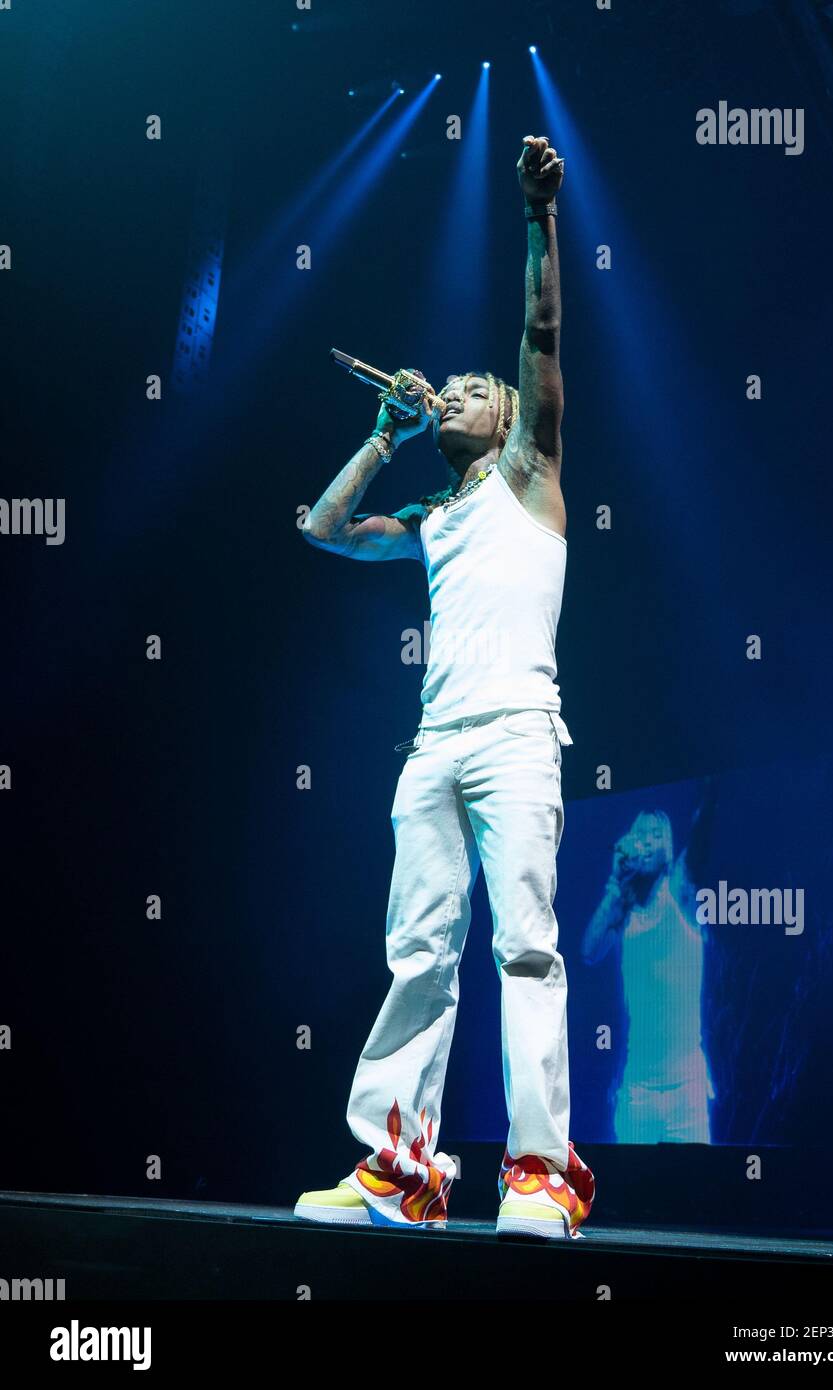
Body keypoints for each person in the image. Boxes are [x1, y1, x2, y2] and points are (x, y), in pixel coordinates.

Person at [294, 135, 594, 1239]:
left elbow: (543, 333)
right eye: (452, 388)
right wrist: (383, 434)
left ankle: (537, 1177)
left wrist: (535, 216)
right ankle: (398, 1175)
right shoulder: (431, 518)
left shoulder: (532, 475)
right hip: (434, 745)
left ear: (510, 418)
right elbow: (323, 530)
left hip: (518, 730)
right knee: (418, 949)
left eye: (477, 388)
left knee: (524, 942)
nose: (459, 391)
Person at [582, 784, 719, 1143]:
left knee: (695, 1192)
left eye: (654, 834)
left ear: (668, 848)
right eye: (638, 833)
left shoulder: (681, 891)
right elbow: (589, 951)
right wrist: (615, 881)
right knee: (633, 1191)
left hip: (686, 1089)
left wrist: (711, 784)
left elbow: (703, 830)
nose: (643, 840)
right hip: (638, 1090)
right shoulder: (624, 911)